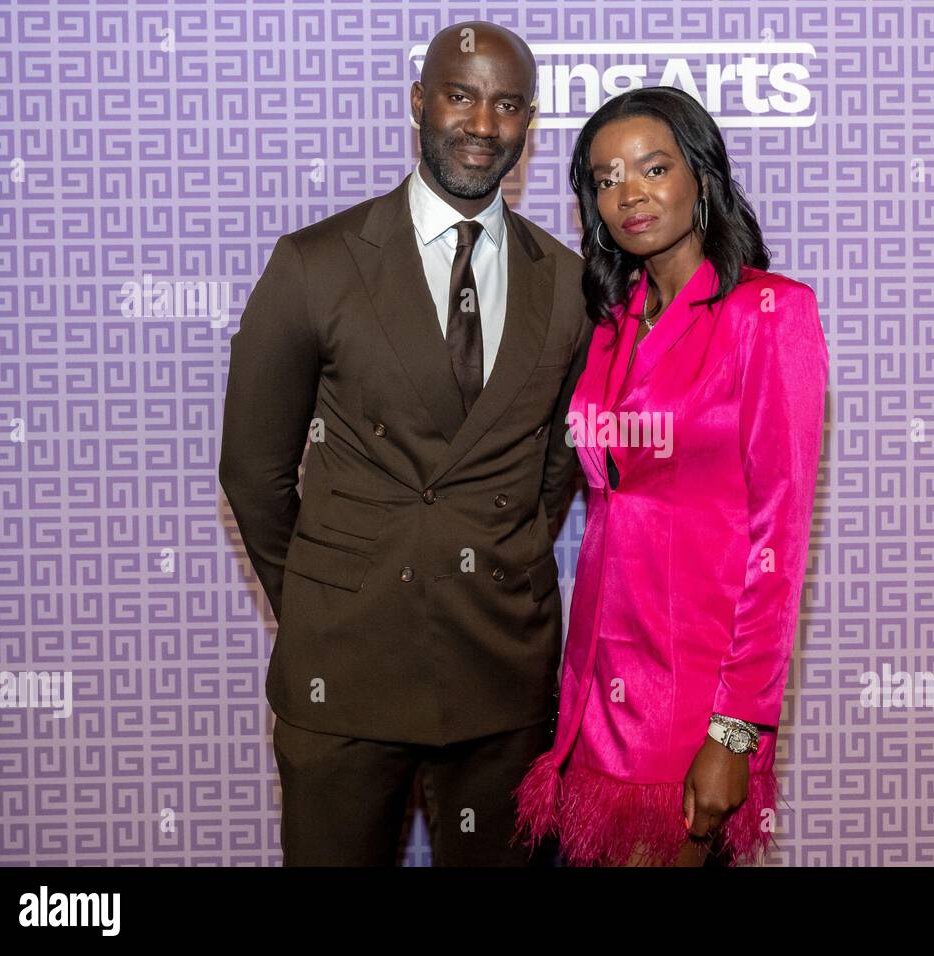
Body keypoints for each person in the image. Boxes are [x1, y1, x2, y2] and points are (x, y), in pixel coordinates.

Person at [218, 21, 591, 865]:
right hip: (343, 674)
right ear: (420, 102)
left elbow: (549, 470)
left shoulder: (568, 284)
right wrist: (327, 591)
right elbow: (253, 472)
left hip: (503, 674)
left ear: (529, 125)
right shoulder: (314, 263)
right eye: (461, 96)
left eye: (506, 106)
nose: (482, 125)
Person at [511, 86, 828, 866]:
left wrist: (735, 730)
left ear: (702, 178)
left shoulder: (768, 315)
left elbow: (776, 545)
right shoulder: (611, 324)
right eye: (607, 177)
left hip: (694, 696)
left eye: (653, 168)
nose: (630, 193)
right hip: (595, 687)